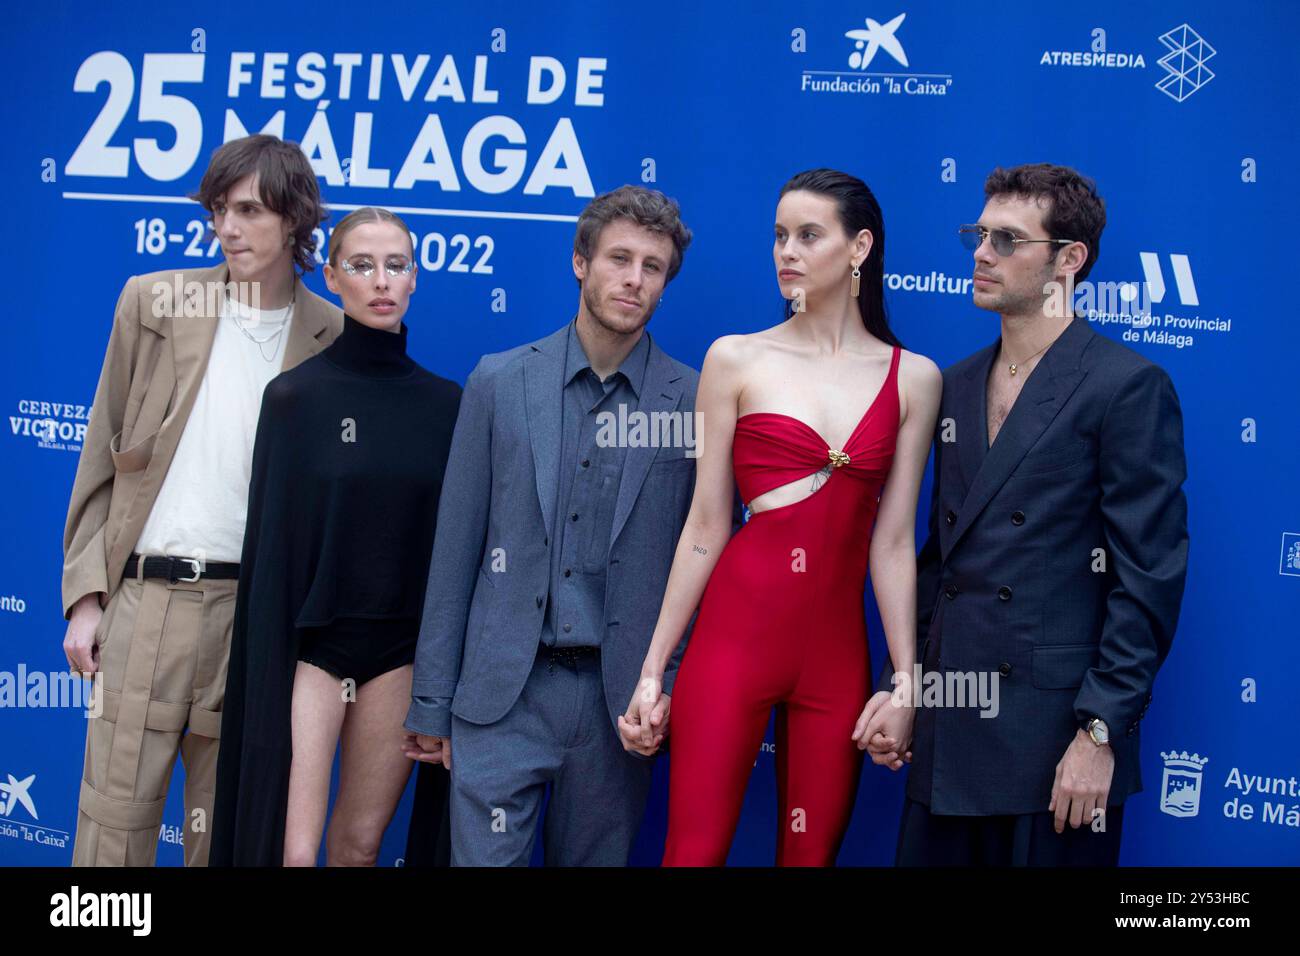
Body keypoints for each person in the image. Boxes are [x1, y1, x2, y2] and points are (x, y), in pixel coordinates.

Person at [863, 163, 1189, 866]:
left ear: (1069, 260)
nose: (981, 254)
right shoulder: (953, 383)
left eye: (1007, 240)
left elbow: (1148, 580)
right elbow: (940, 563)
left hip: (1056, 748)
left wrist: (1099, 735)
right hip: (950, 736)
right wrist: (909, 685)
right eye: (978, 235)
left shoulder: (1127, 387)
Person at [634, 168, 942, 866]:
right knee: (692, 852)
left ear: (860, 247)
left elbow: (893, 544)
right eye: (779, 236)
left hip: (836, 660)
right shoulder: (736, 359)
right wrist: (656, 670)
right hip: (731, 644)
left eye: (808, 235)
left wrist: (906, 684)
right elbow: (706, 527)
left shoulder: (914, 378)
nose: (787, 252)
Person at [402, 185, 713, 866]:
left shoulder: (695, 400)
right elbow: (456, 550)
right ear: (581, 261)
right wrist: (431, 703)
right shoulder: (499, 381)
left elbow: (704, 555)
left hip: (617, 706)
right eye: (619, 258)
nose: (634, 279)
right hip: (500, 698)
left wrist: (670, 688)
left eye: (652, 267)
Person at [60, 134, 343, 867]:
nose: (227, 227)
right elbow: (101, 454)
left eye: (248, 210)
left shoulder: (333, 335)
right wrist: (86, 597)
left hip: (257, 619)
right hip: (146, 604)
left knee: (226, 841)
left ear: (295, 220)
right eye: (219, 209)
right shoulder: (153, 301)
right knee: (110, 835)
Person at [210, 208, 461, 866]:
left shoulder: (447, 406)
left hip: (399, 658)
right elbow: (272, 556)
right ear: (332, 276)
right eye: (361, 265)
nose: (381, 280)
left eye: (396, 265)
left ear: (414, 279)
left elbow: (456, 553)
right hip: (314, 654)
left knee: (357, 847)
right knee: (292, 853)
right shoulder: (295, 398)